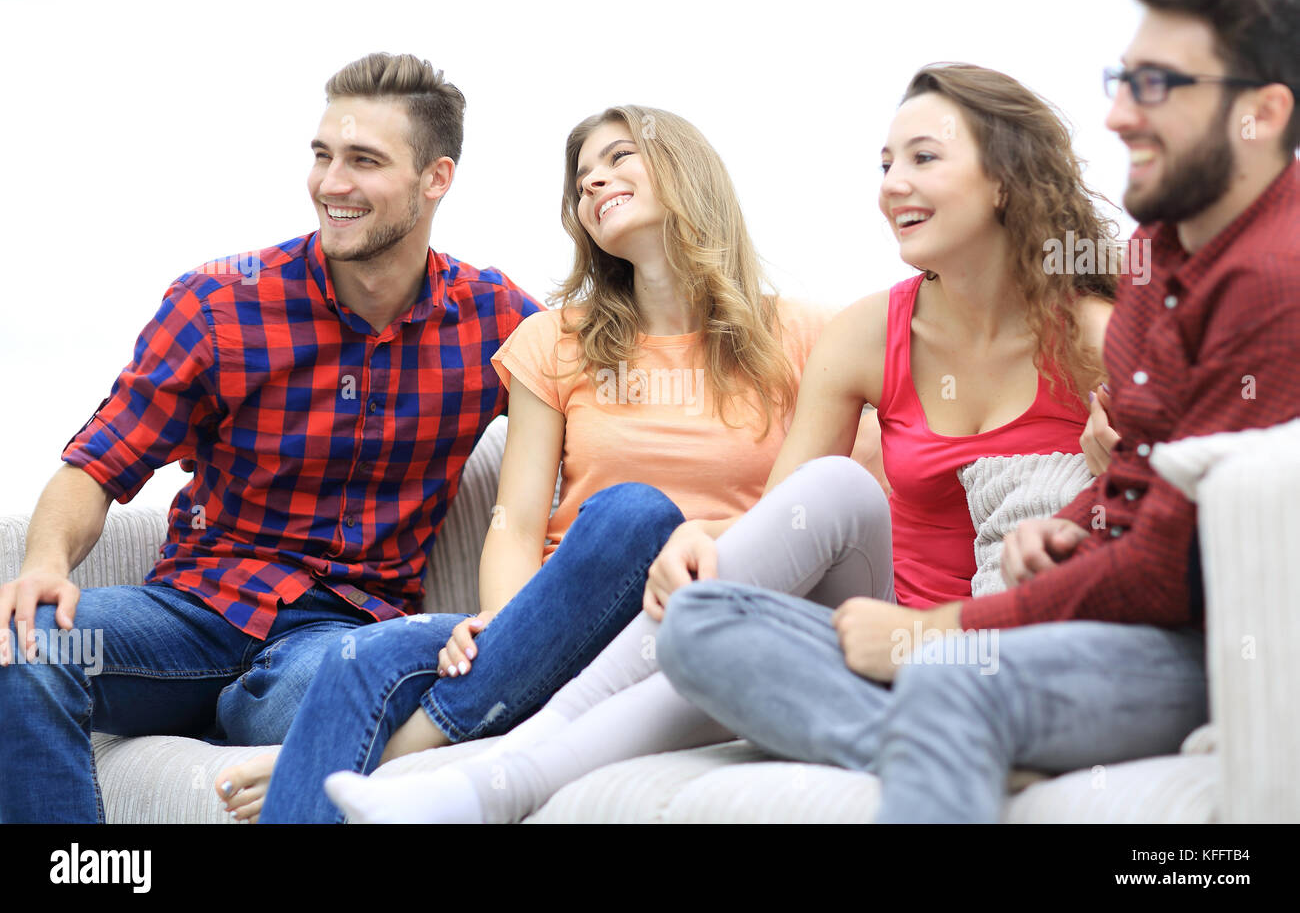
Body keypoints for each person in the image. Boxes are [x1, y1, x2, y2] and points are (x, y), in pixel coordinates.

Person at [323, 62, 1118, 824]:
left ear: (1007, 178)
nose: (891, 185)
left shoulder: (1099, 338)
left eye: (922, 158)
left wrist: (1119, 464)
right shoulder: (870, 332)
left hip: (978, 639)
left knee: (723, 603)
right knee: (770, 541)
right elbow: (792, 513)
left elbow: (1160, 518)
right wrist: (699, 542)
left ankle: (492, 777)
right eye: (884, 164)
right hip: (857, 625)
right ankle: (473, 767)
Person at [660, 0, 1300, 823]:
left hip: (1191, 646)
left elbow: (1163, 576)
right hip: (1079, 622)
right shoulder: (1158, 258)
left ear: (1261, 114)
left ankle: (948, 725)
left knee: (951, 684)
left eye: (1155, 85)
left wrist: (947, 630)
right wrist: (1071, 529)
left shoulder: (1270, 278)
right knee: (703, 625)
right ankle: (954, 747)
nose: (1116, 114)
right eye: (1121, 81)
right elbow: (1137, 491)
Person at [212, 104, 840, 823]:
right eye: (581, 179)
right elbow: (514, 525)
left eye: (618, 158)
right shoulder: (554, 341)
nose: (594, 181)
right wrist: (501, 628)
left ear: (685, 170)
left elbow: (823, 511)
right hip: (568, 618)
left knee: (635, 515)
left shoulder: (805, 336)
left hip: (706, 613)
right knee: (365, 654)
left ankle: (385, 758)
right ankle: (394, 748)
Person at [0, 52, 542, 823]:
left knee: (373, 675)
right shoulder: (221, 302)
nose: (331, 184)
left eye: (364, 161)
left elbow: (591, 426)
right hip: (192, 616)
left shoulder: (493, 318)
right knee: (24, 643)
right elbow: (97, 462)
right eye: (322, 156)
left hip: (337, 642)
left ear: (436, 179)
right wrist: (45, 565)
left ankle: (257, 721)